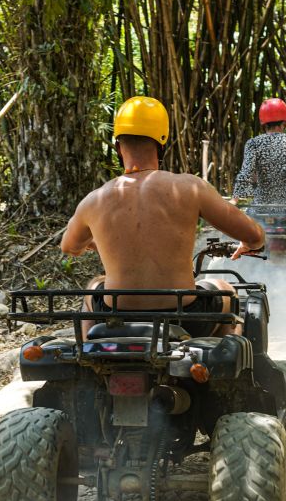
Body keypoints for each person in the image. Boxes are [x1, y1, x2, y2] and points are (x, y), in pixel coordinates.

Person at [60, 96, 265, 337]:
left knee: (93, 286)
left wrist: (100, 243)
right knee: (226, 289)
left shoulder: (94, 200)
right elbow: (254, 235)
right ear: (162, 144)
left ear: (117, 147)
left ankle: (89, 352)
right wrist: (250, 243)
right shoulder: (190, 187)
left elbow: (69, 247)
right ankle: (216, 358)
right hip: (186, 317)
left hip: (115, 317)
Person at [232, 98, 286, 212]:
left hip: (261, 206)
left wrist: (234, 200)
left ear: (263, 124)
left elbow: (246, 172)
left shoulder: (253, 143)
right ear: (284, 123)